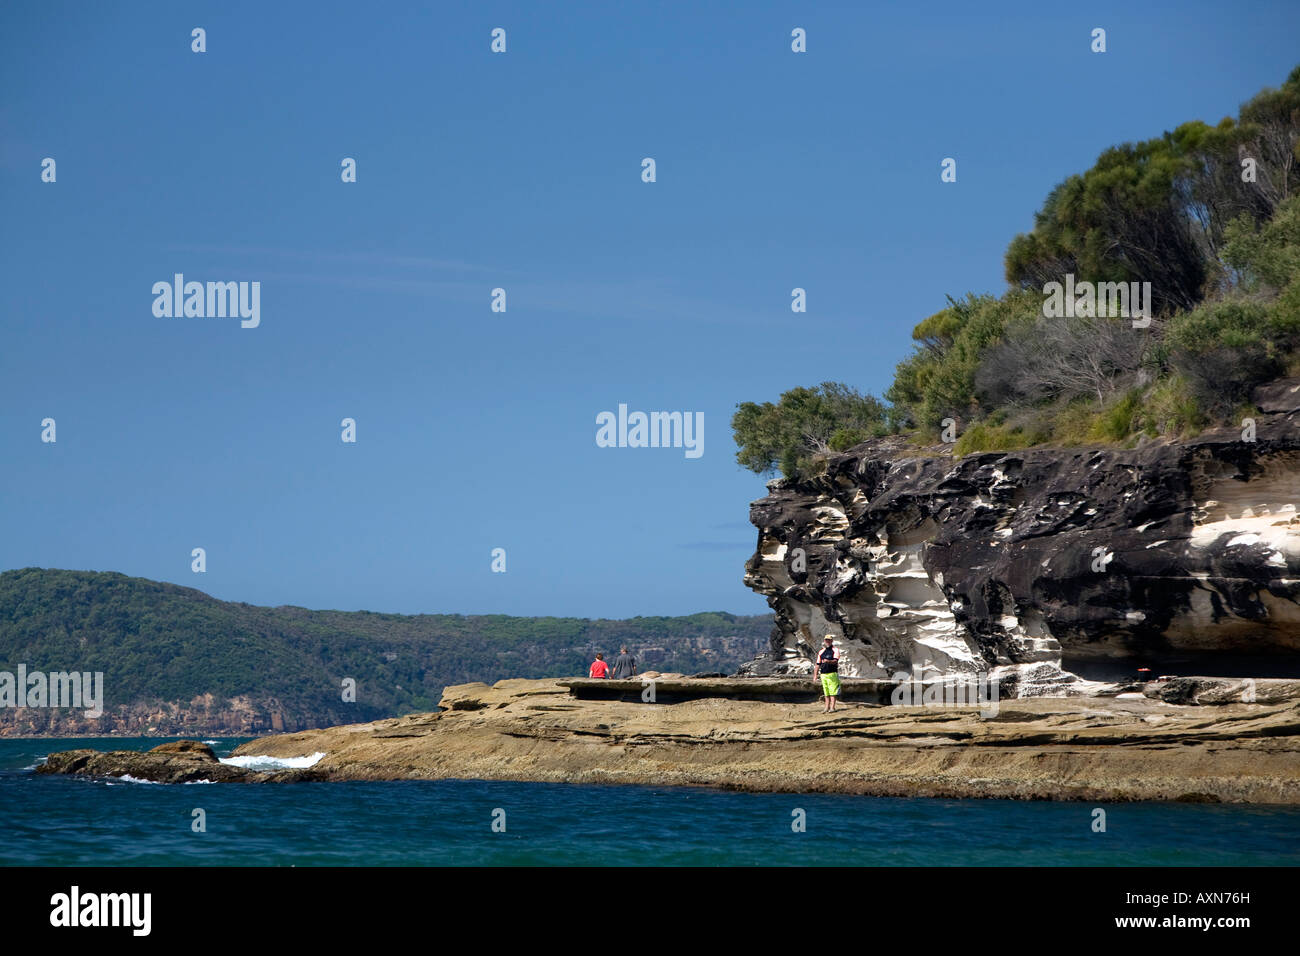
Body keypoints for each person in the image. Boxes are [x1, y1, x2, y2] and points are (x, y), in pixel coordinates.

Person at [814, 635, 841, 713]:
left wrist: (828, 661)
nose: (827, 641)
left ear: (832, 641)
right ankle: (826, 707)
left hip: (832, 673)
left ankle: (832, 707)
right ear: (824, 641)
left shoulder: (835, 650)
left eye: (829, 640)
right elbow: (817, 664)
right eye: (826, 640)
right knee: (826, 691)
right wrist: (815, 675)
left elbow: (836, 660)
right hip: (823, 674)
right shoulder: (821, 651)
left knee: (833, 691)